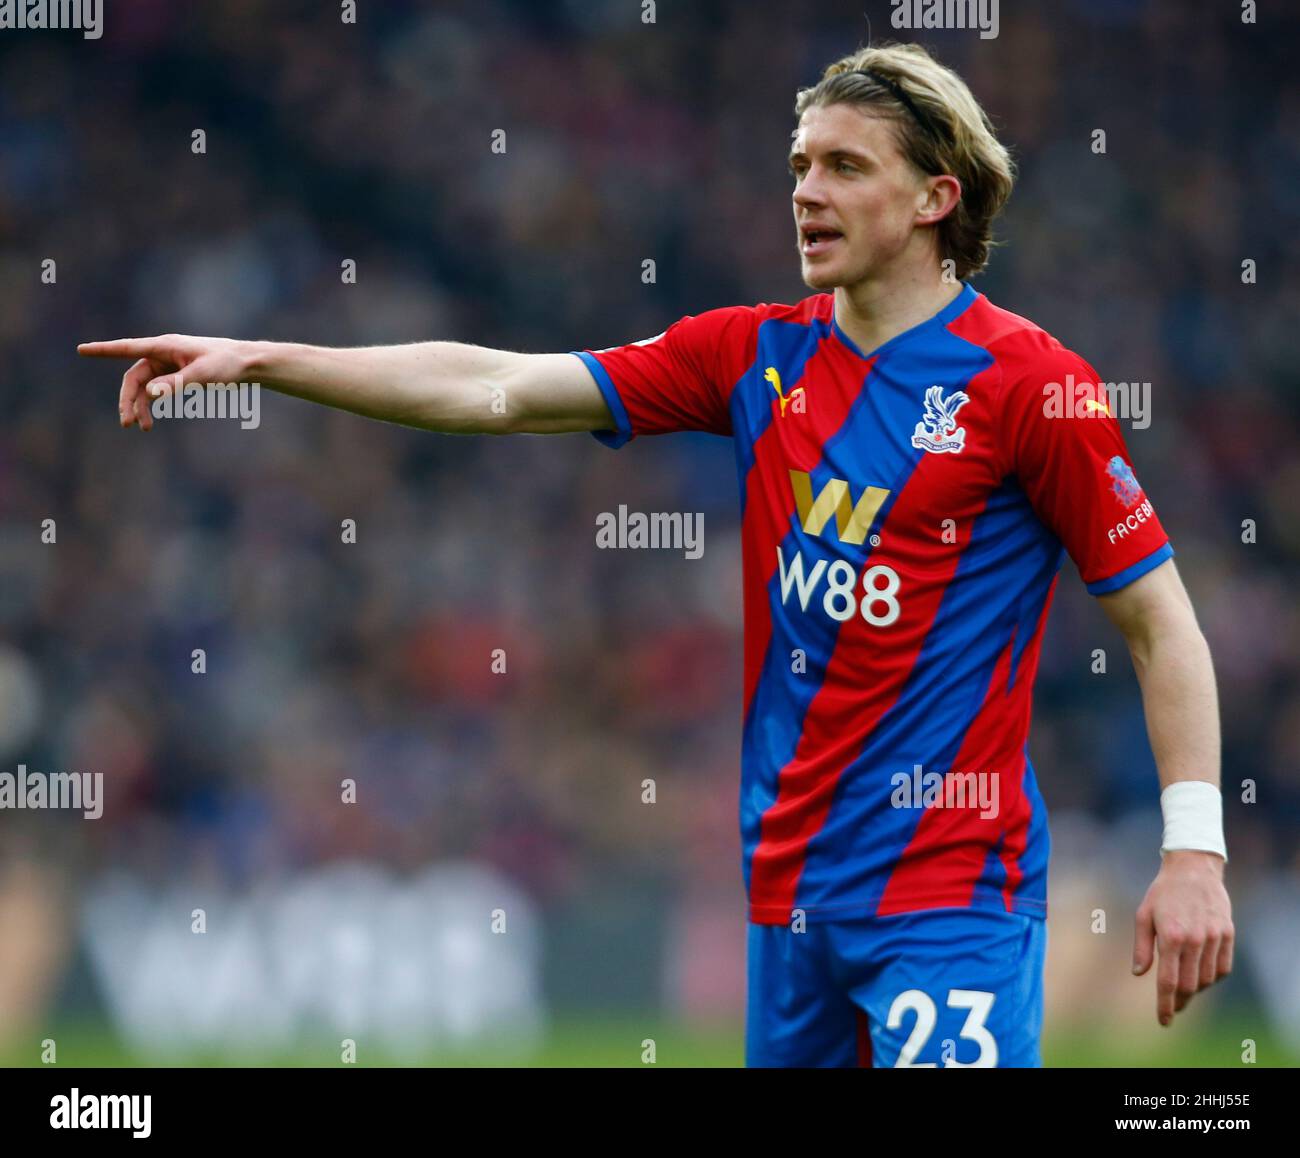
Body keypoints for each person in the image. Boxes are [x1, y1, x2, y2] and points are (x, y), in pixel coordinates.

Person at [79, 40, 1232, 1067]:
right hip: (788, 895)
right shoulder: (745, 357)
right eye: (796, 167)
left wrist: (1193, 853)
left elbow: (1157, 623)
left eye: (841, 166)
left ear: (936, 195)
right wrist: (266, 356)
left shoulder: (1033, 385)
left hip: (949, 892)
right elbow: (493, 387)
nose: (804, 193)